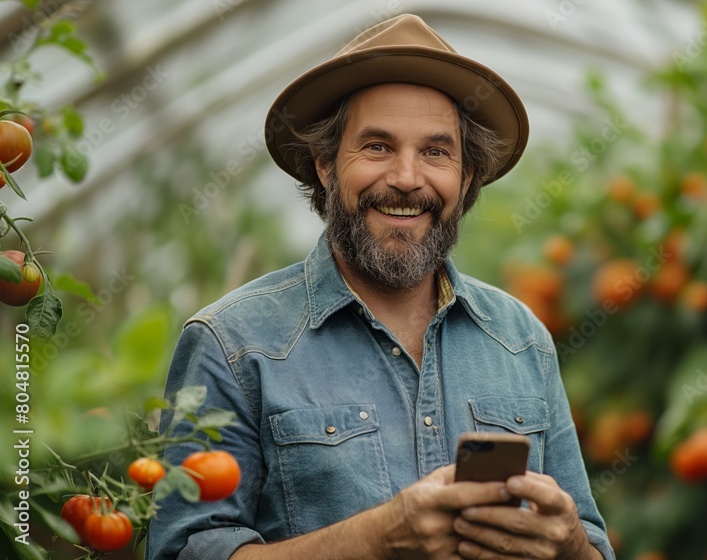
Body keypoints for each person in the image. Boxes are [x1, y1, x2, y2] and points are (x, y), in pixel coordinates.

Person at [147, 13, 614, 560]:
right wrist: (375, 540)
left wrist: (571, 545)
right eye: (377, 147)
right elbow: (184, 551)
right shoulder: (231, 345)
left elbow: (593, 548)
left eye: (436, 152)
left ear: (464, 180)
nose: (408, 178)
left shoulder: (521, 340)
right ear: (324, 166)